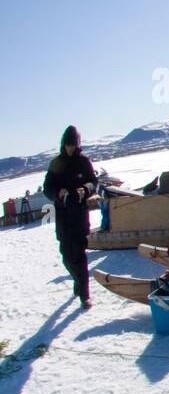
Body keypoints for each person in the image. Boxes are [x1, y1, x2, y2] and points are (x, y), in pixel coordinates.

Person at [42, 126, 98, 307]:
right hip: (63, 216)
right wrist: (58, 193)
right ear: (63, 144)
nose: (71, 148)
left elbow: (93, 182)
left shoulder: (84, 161)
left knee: (79, 255)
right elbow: (47, 189)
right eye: (68, 145)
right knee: (66, 256)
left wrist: (86, 189)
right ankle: (77, 280)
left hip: (80, 215)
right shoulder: (56, 163)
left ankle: (85, 295)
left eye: (74, 145)